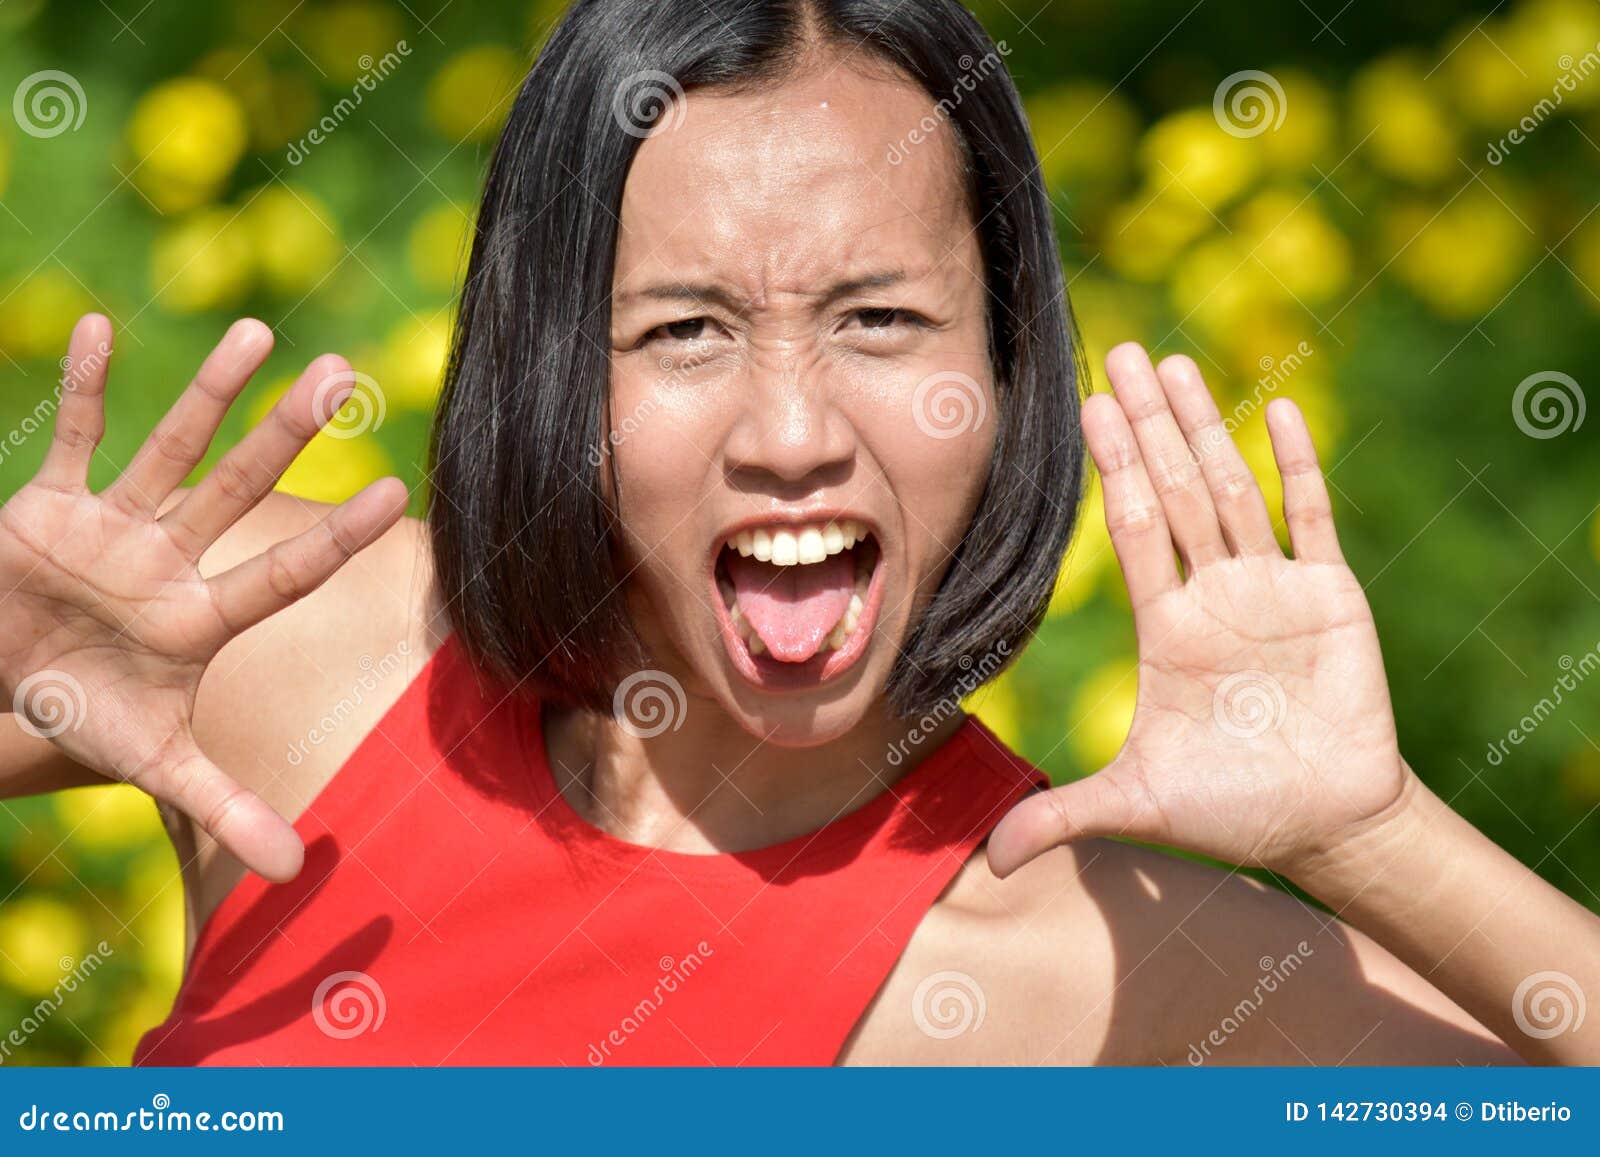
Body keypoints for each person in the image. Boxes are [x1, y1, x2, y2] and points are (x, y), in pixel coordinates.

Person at [1, 0, 1594, 1065]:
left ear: (1004, 360)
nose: (790, 435)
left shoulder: (1089, 966)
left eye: (884, 319)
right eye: (685, 330)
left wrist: (1373, 837)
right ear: (557, 362)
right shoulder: (298, 644)